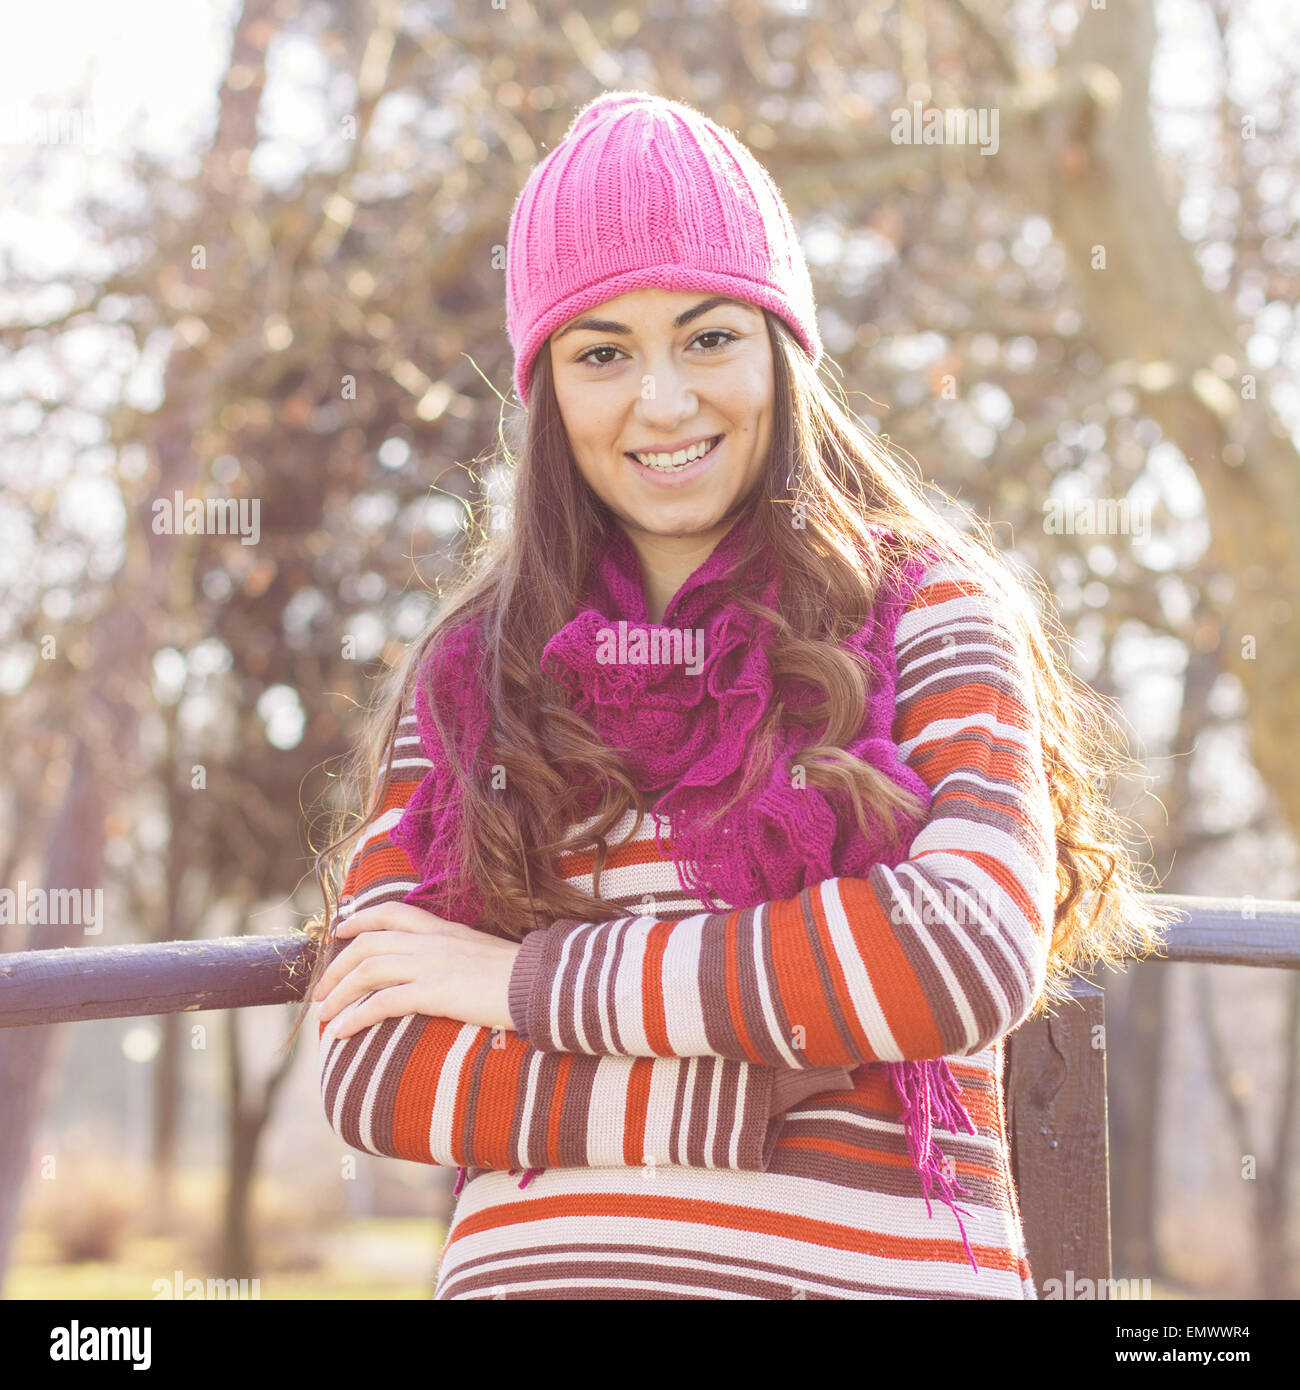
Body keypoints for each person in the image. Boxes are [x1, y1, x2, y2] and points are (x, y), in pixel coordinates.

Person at [296, 90, 1168, 1300]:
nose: (662, 401)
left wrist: (514, 985)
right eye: (603, 352)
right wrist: (743, 1086)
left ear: (781, 348)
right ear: (548, 388)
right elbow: (376, 1060)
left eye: (707, 337)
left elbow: (958, 949)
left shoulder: (926, 606)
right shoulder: (474, 670)